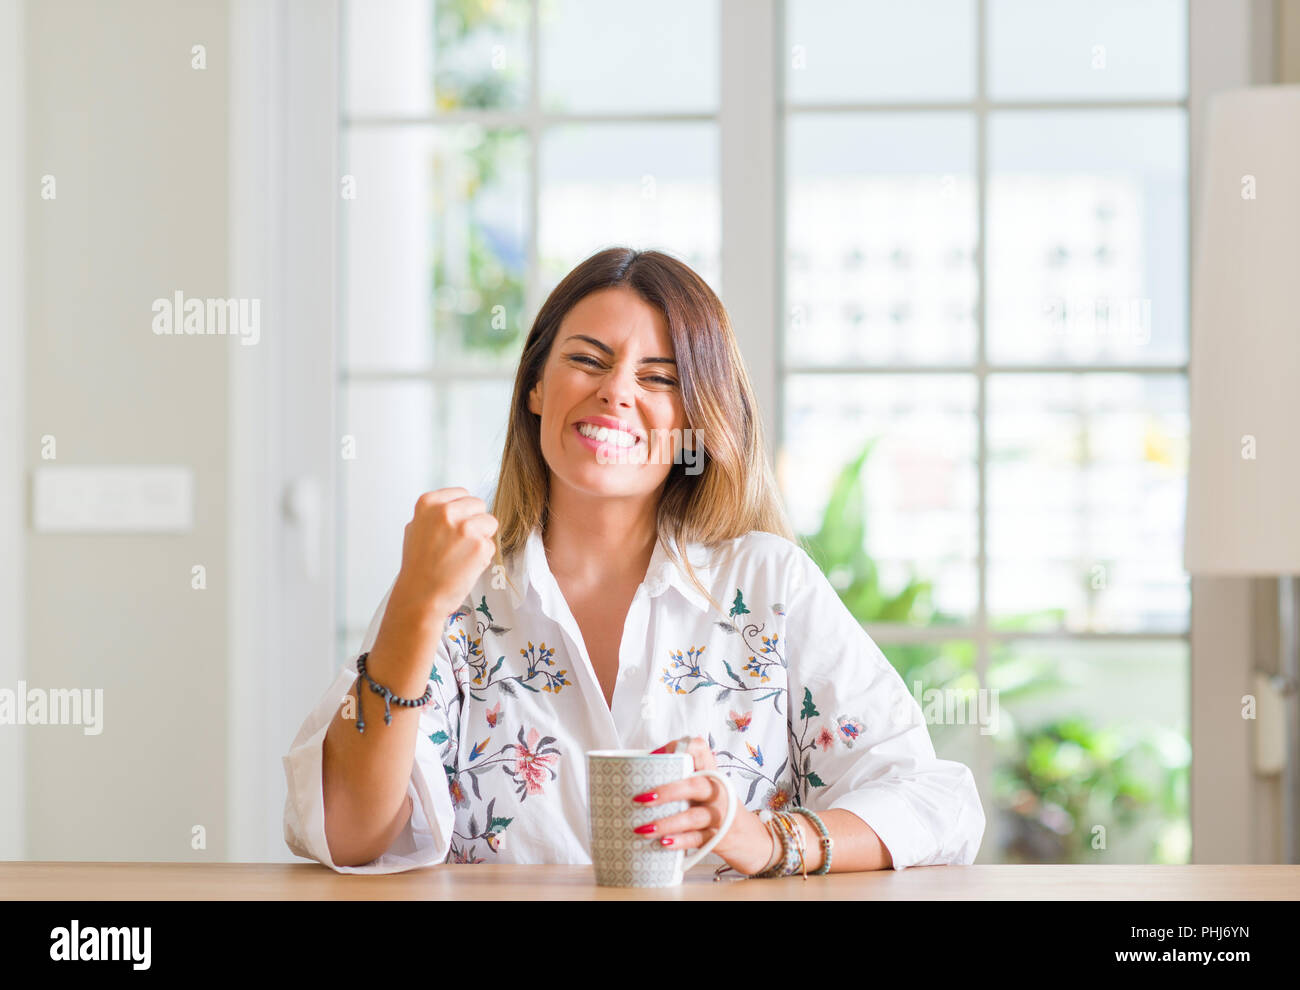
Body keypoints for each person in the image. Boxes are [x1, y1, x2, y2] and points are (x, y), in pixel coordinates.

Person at [282, 246, 985, 877]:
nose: (616, 391)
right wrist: (417, 605)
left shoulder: (770, 587)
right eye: (588, 359)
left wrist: (767, 840)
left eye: (660, 377)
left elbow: (936, 801)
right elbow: (348, 836)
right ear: (534, 387)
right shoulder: (453, 593)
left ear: (696, 421)